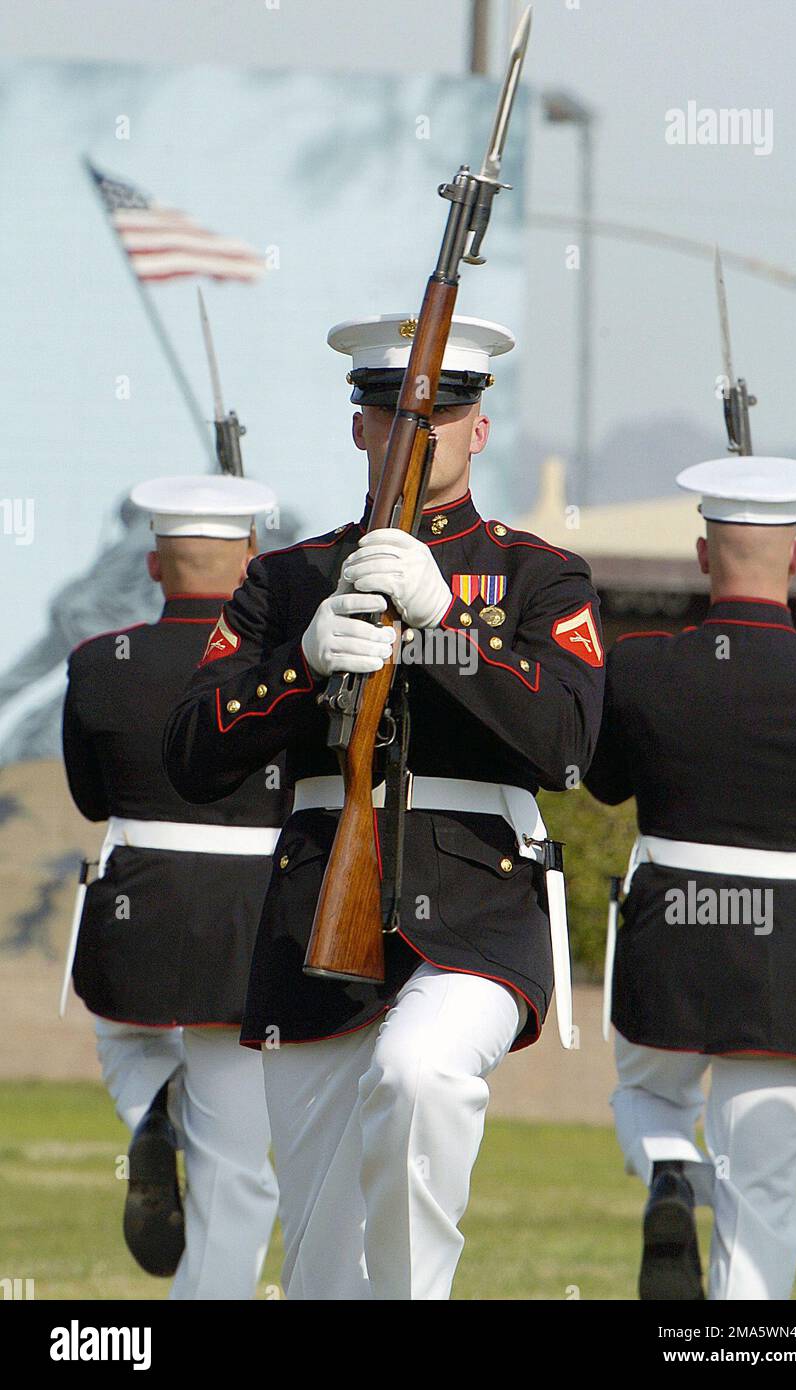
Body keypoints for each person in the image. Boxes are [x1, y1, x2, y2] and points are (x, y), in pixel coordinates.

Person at [164, 314, 606, 1300]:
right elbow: (190, 752)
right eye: (393, 410)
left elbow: (568, 741)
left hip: (476, 905)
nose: (417, 430)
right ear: (359, 425)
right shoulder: (288, 581)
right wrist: (299, 663)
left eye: (442, 412)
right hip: (317, 914)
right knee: (320, 1260)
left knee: (419, 1072)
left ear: (478, 428)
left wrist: (445, 625)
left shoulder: (535, 574)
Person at [584, 456, 796, 1301]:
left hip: (670, 933)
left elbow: (604, 785)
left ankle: (669, 1169)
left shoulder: (640, 666)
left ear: (703, 554)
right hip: (786, 951)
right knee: (762, 1191)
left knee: (648, 1095)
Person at [62, 474, 286, 1300]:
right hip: (250, 922)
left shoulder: (98, 664)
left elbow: (94, 802)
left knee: (127, 1037)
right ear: (252, 561)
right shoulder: (286, 667)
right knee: (237, 1170)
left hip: (137, 909)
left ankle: (152, 1108)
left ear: (155, 565)